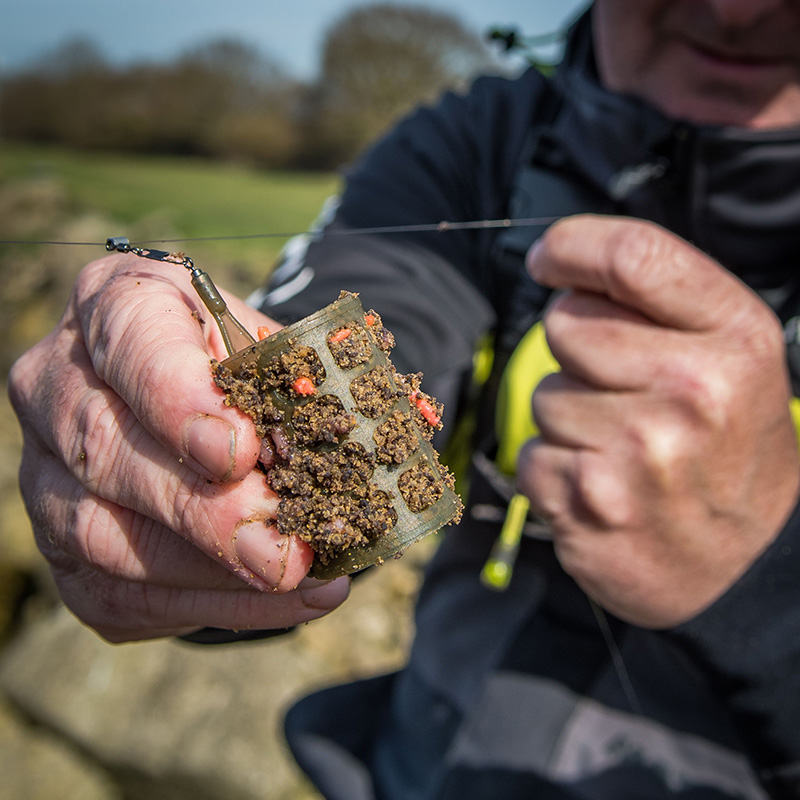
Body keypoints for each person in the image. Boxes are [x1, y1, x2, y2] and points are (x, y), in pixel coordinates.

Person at [9, 0, 800, 796]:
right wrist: (169, 470)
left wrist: (767, 588)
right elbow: (349, 340)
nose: (734, 9)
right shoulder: (475, 142)